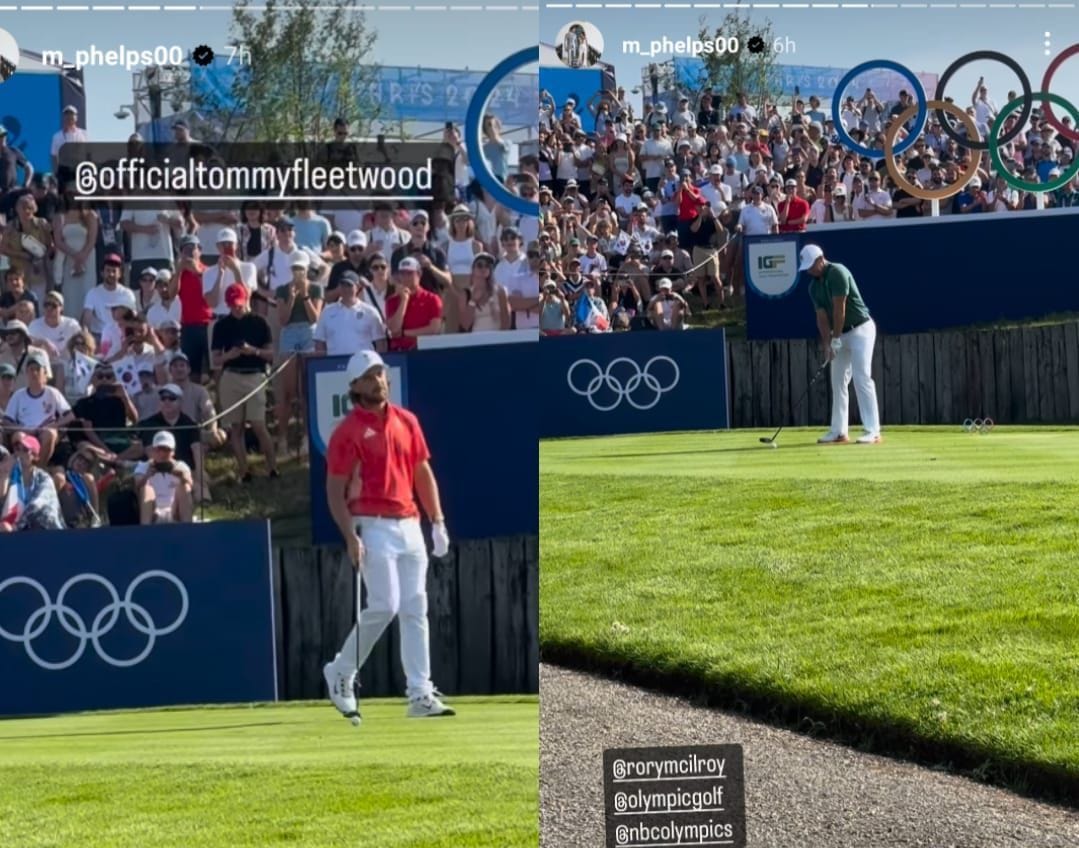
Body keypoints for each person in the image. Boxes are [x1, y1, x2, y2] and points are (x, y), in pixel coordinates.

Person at [322, 349, 454, 724]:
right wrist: (349, 535)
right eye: (369, 375)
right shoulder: (347, 432)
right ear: (355, 386)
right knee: (385, 604)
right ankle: (342, 671)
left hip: (410, 523)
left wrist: (438, 520)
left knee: (416, 608)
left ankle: (420, 693)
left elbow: (422, 473)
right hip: (370, 523)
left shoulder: (407, 421)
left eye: (380, 372)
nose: (378, 379)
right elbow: (334, 490)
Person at [798, 244, 881, 445]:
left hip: (861, 329)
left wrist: (836, 339)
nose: (809, 270)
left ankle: (873, 430)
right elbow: (822, 318)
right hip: (840, 333)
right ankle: (839, 431)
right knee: (837, 381)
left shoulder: (838, 272)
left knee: (862, 376)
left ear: (821, 259)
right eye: (807, 267)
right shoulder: (813, 287)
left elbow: (839, 310)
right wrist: (827, 345)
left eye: (811, 266)